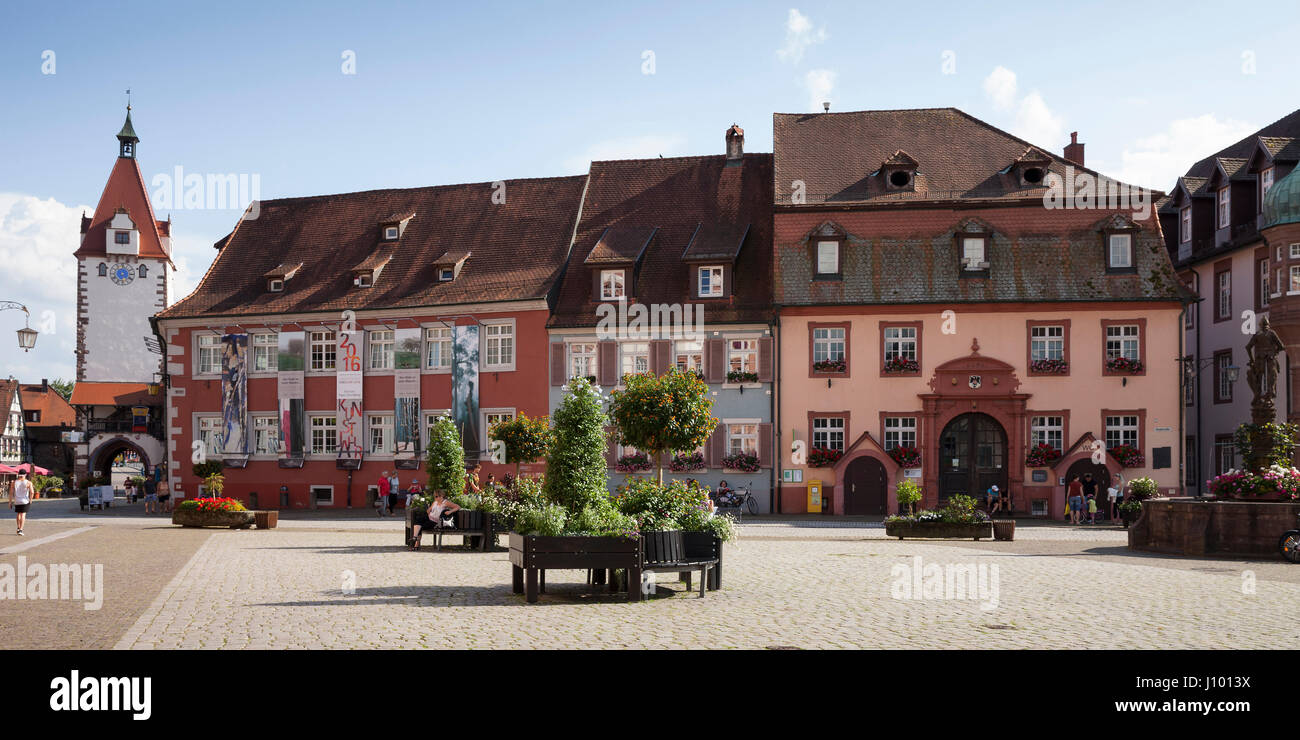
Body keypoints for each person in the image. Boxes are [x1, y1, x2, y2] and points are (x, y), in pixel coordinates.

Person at [10, 471, 33, 536]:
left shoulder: (14, 482)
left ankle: (18, 527)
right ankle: (21, 530)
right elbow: (32, 492)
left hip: (17, 501)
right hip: (25, 501)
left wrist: (10, 502)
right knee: (23, 515)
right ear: (25, 474)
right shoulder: (28, 482)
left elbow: (11, 493)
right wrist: (30, 500)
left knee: (18, 514)